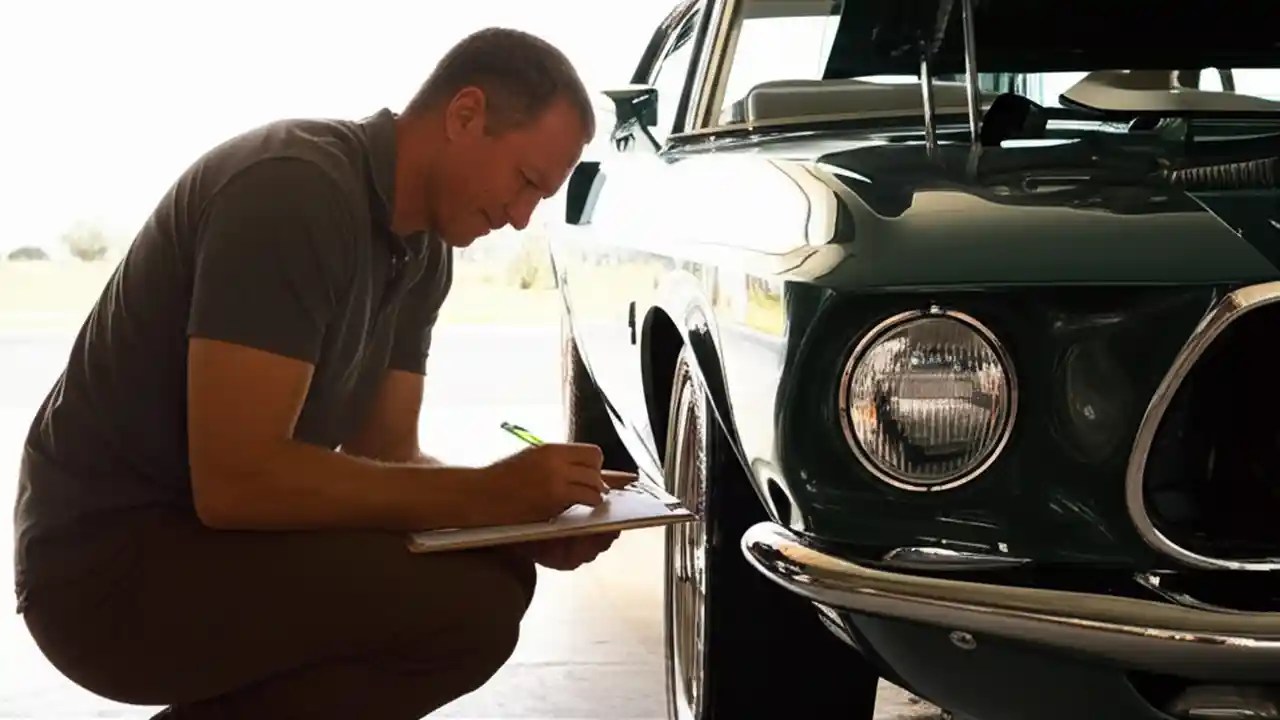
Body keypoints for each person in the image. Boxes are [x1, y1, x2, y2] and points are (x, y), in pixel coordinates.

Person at [13, 26, 621, 720]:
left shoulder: (424, 252)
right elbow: (237, 482)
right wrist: (487, 495)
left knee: (496, 576)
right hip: (104, 568)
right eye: (525, 182)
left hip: (205, 541)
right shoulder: (293, 192)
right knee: (466, 608)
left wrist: (523, 520)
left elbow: (385, 456)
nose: (520, 218)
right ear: (465, 116)